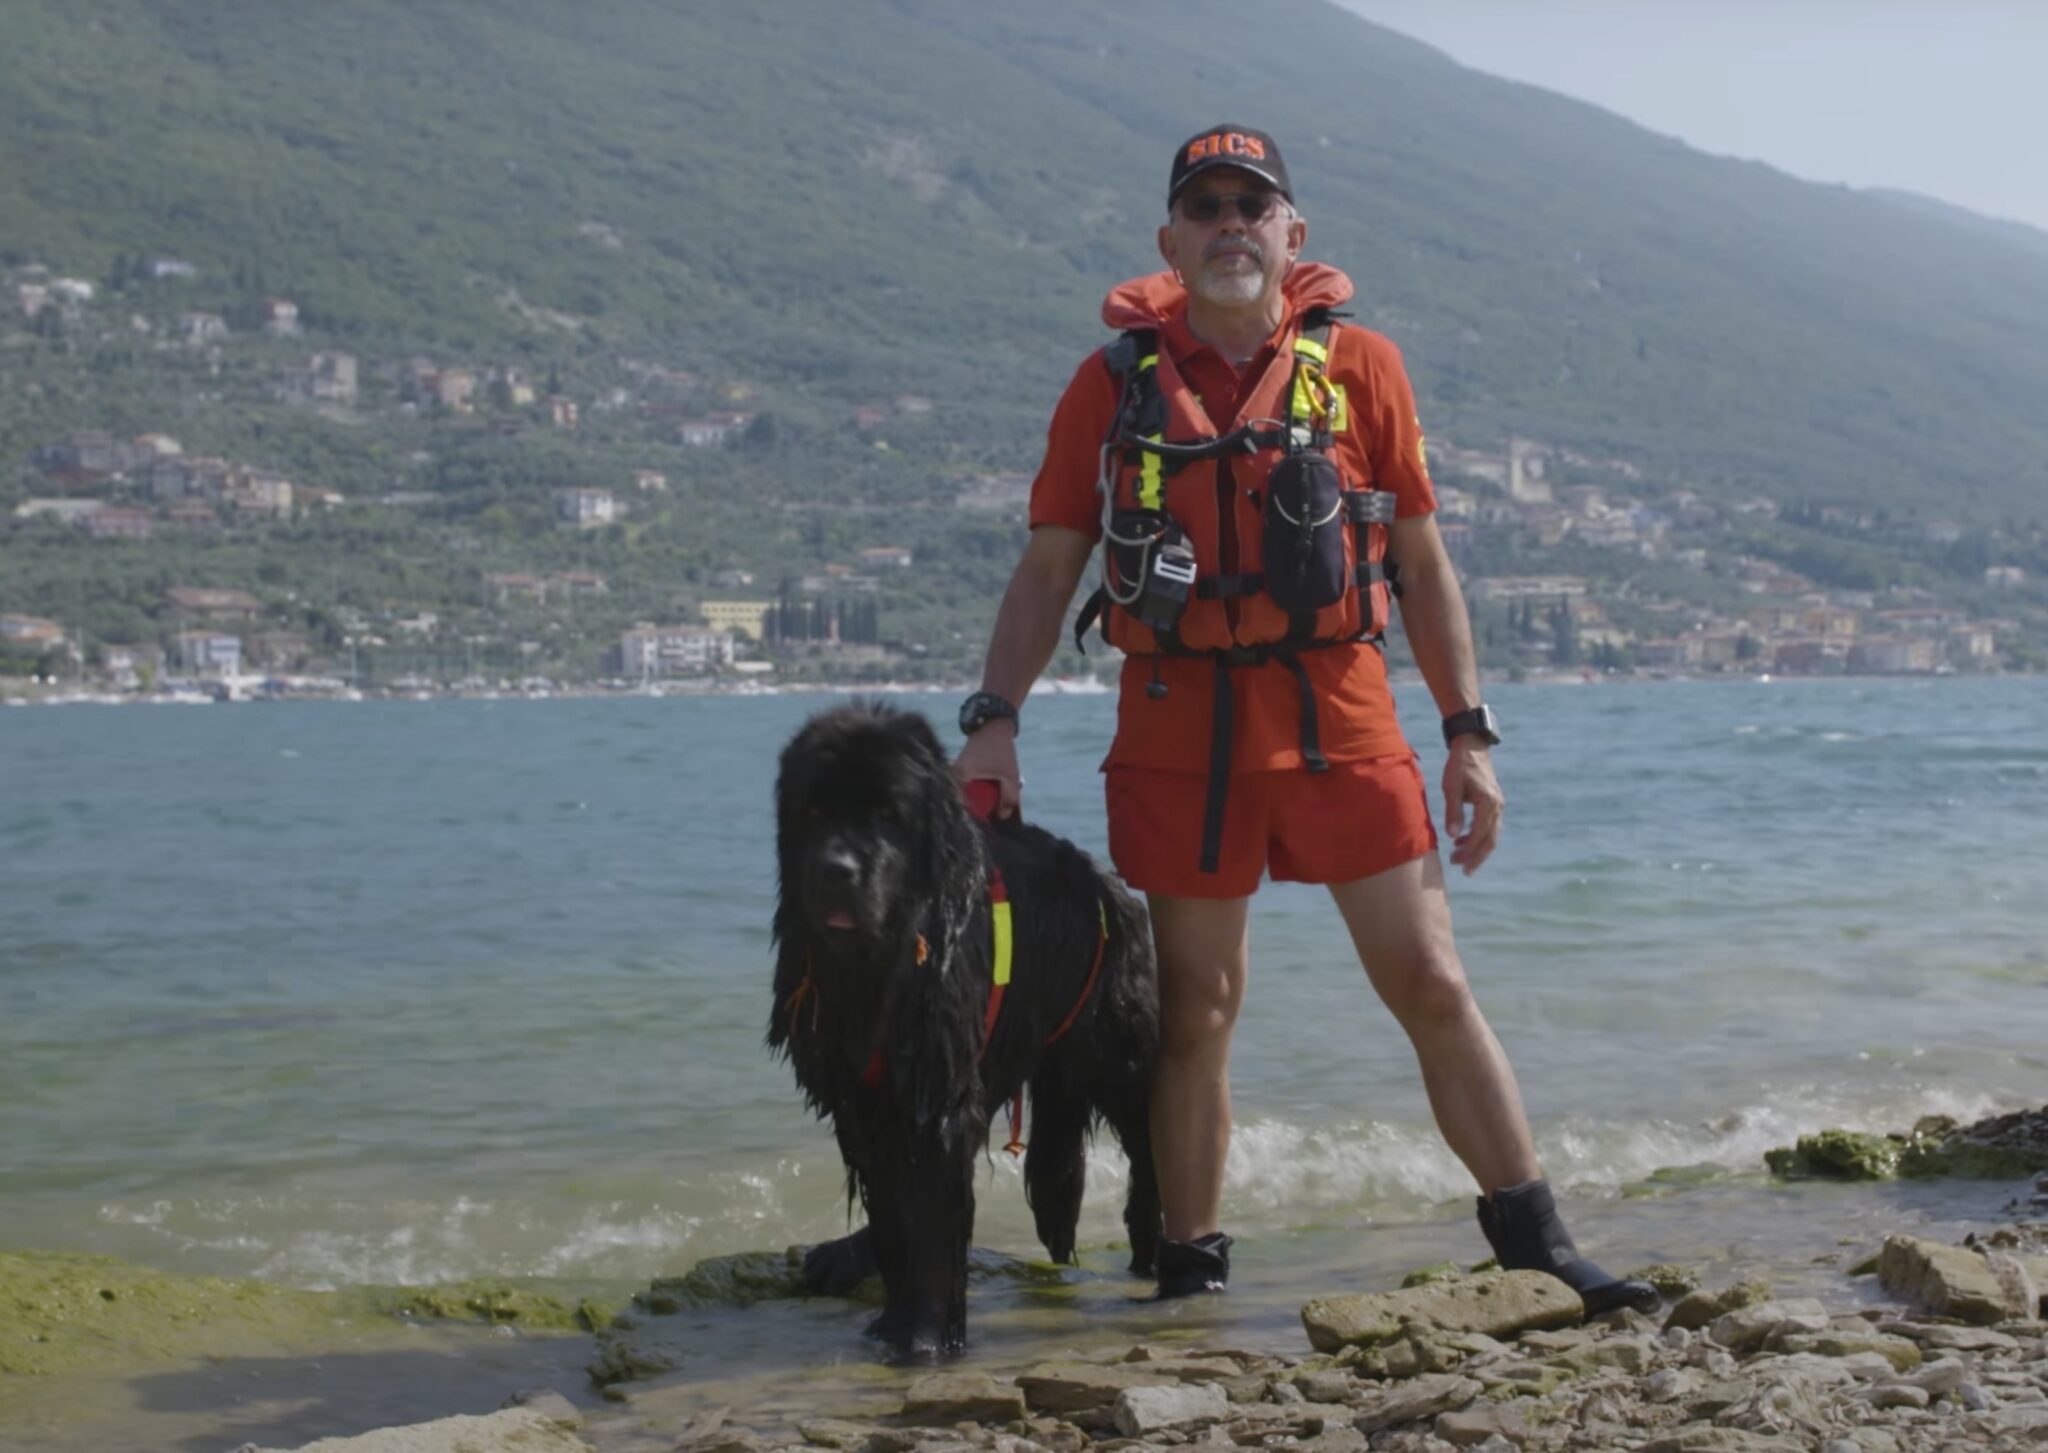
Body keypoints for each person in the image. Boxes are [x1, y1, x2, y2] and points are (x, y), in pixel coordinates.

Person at [953, 123, 1655, 1316]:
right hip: (1180, 733)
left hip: (1343, 716)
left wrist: (1466, 733)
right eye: (1206, 207)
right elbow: (1046, 570)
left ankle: (1537, 1243)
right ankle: (1189, 1269)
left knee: (1430, 980)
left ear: (1291, 232)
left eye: (1251, 204)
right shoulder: (1110, 386)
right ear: (1169, 241)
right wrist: (991, 721)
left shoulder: (1363, 368)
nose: (1230, 224)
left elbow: (1423, 569)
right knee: (1198, 1008)